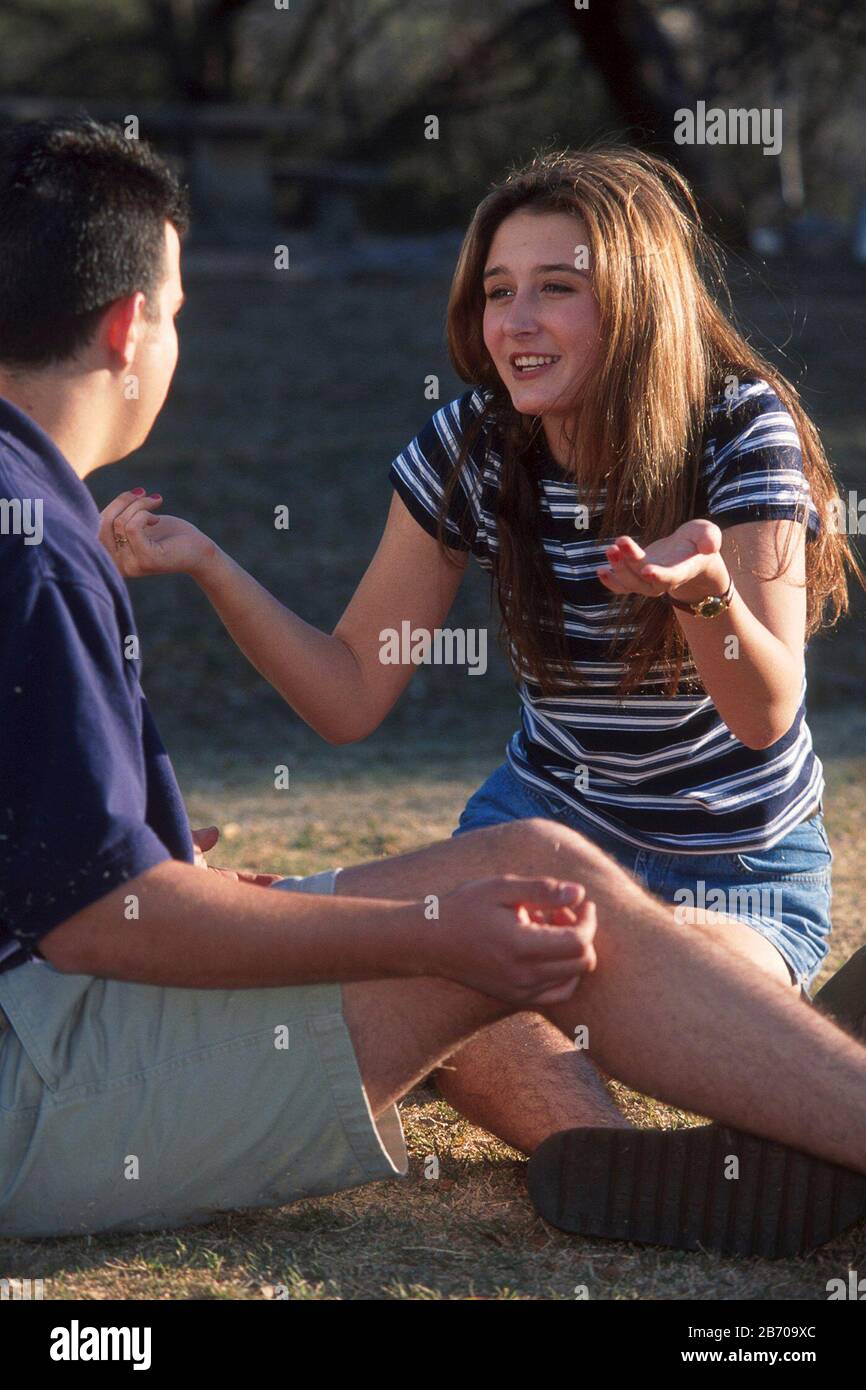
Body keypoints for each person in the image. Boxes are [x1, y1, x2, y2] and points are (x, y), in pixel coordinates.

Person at [1, 118, 865, 1258]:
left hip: (728, 862)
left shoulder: (733, 430)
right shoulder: (469, 445)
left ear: (641, 301)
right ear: (129, 328)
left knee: (540, 931)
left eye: (555, 288)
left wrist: (704, 592)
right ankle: (611, 1156)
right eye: (497, 289)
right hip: (531, 828)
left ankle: (766, 1118)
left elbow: (763, 718)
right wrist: (215, 569)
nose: (513, 320)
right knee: (516, 925)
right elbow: (350, 696)